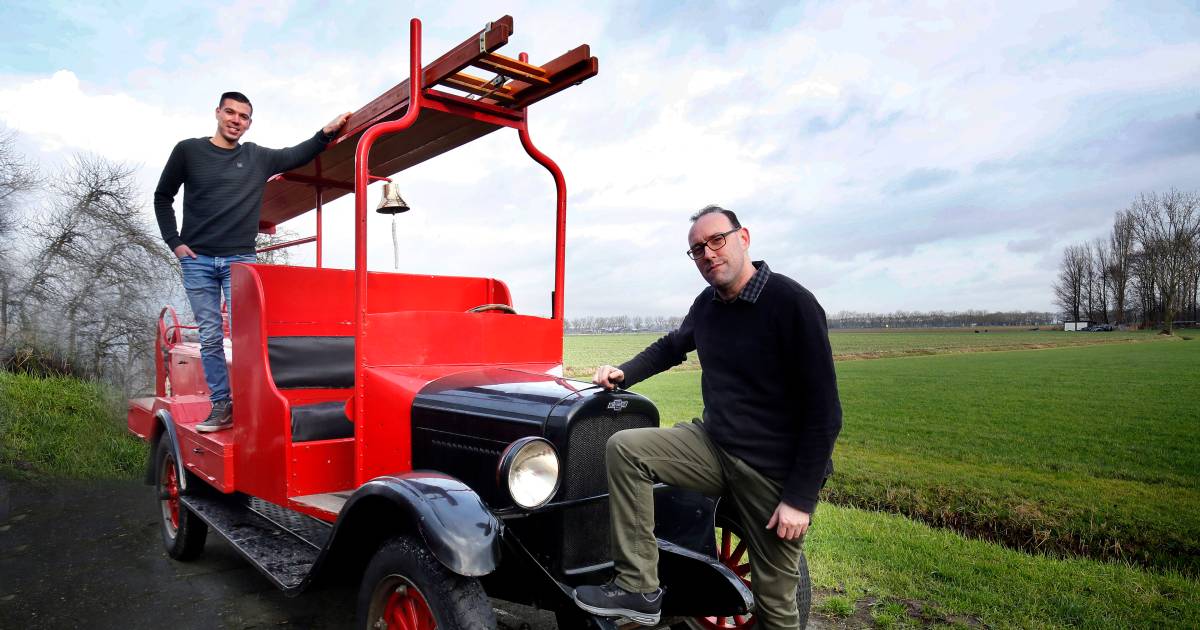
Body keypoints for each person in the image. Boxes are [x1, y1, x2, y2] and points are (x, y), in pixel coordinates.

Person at [573, 205, 842, 628]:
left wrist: (799, 500)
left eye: (716, 240)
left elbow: (825, 414)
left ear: (744, 237)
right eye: (697, 249)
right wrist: (625, 372)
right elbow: (671, 346)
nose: (708, 254)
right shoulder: (709, 304)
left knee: (775, 603)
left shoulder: (793, 304)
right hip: (715, 445)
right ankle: (639, 587)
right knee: (626, 449)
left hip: (771, 471)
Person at [154, 91, 351, 433]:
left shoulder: (257, 157)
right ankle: (221, 405)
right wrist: (174, 242)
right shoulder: (188, 150)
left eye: (243, 116)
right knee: (212, 335)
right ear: (217, 112)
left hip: (239, 260)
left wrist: (326, 133)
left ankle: (253, 403)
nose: (235, 120)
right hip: (197, 261)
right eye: (230, 112)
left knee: (247, 336)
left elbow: (295, 155)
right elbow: (162, 197)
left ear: (249, 123)